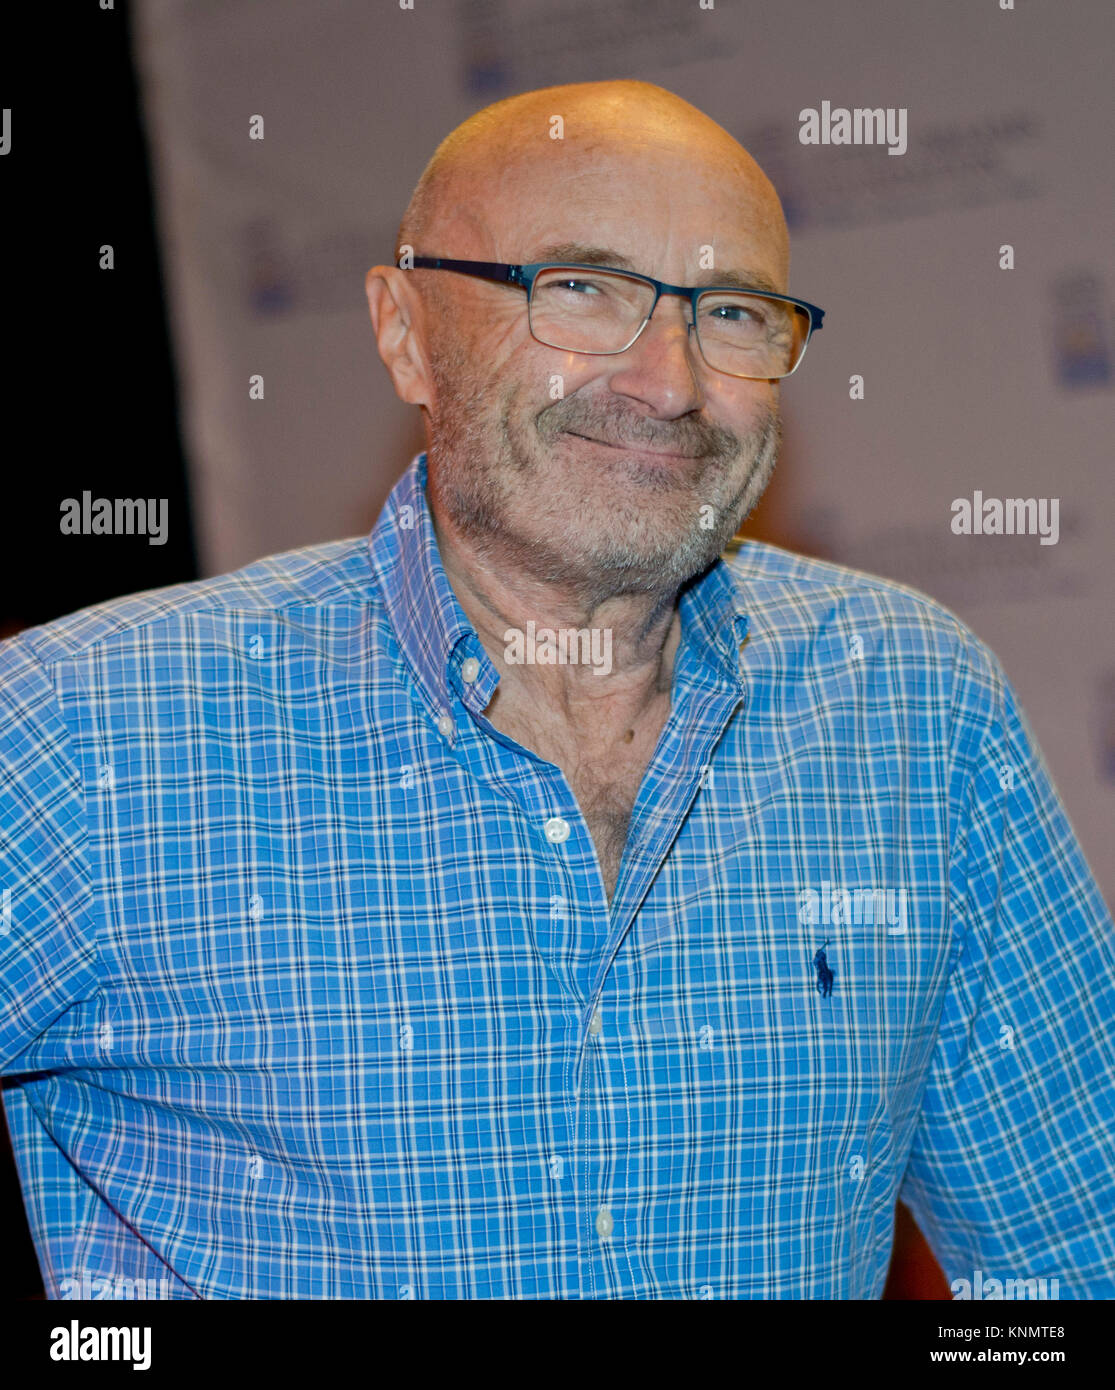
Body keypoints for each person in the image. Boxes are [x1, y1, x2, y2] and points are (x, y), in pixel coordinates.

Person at [1, 80, 1112, 1301]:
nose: (668, 379)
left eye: (732, 310)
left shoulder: (913, 706)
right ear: (405, 331)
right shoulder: (81, 730)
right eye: (581, 287)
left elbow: (1069, 1252)